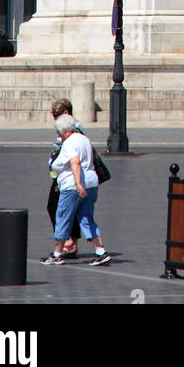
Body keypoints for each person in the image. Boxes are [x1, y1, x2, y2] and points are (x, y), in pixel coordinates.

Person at [42, 114, 110, 266]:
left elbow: (75, 162)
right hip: (92, 183)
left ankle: (57, 254)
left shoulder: (69, 143)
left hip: (73, 185)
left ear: (63, 131)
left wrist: (78, 183)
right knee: (86, 218)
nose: (59, 136)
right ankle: (100, 251)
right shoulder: (84, 139)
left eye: (59, 133)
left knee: (63, 217)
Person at [47, 98, 83, 257]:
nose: (54, 120)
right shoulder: (73, 127)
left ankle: (68, 242)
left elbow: (72, 153)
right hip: (64, 174)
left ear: (66, 113)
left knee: (54, 206)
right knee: (67, 208)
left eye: (57, 116)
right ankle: (70, 242)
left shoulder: (73, 129)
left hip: (67, 175)